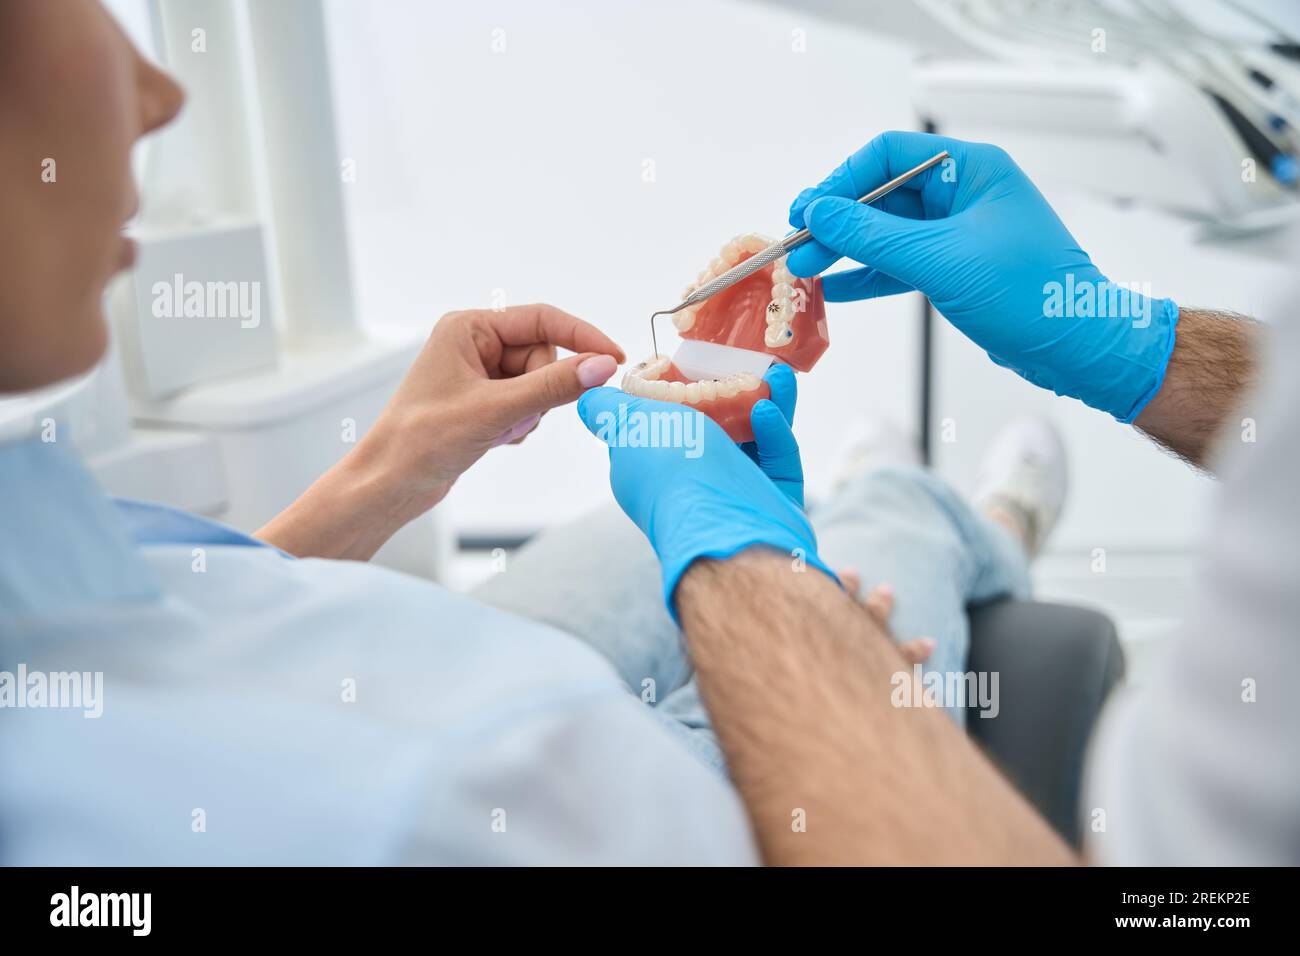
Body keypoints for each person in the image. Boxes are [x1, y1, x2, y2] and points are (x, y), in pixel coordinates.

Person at [580, 130, 1296, 865]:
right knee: (892, 515)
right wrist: (791, 609)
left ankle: (887, 502)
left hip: (519, 699)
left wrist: (1136, 342)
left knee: (624, 530)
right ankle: (995, 527)